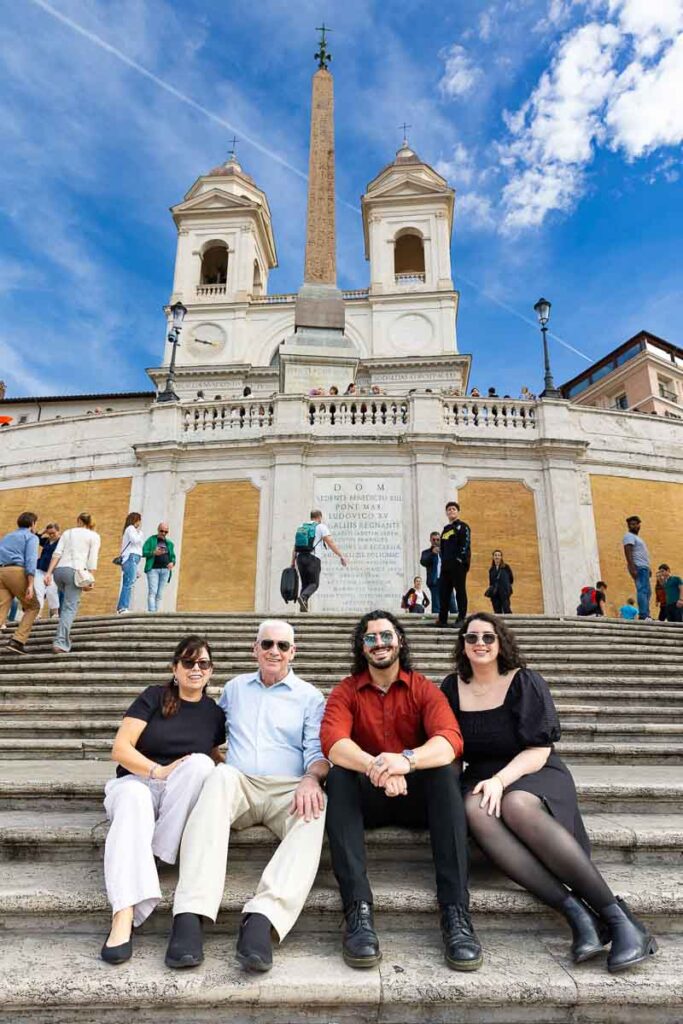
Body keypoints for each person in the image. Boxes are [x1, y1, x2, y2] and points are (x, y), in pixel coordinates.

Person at [441, 612, 658, 974]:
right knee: (475, 809)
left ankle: (621, 920)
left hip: (534, 770)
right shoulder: (451, 687)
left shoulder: (524, 681)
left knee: (516, 804)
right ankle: (577, 914)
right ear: (462, 644)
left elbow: (539, 749)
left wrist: (501, 780)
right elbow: (444, 741)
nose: (479, 644)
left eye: (488, 638)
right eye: (471, 637)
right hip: (481, 777)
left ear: (501, 643)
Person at [321, 610, 481, 971]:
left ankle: (456, 912)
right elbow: (332, 742)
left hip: (417, 799)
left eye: (386, 636)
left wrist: (405, 762)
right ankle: (357, 911)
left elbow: (450, 741)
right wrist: (379, 767)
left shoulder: (423, 688)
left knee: (443, 774)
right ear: (362, 647)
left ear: (400, 641)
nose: (380, 643)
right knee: (340, 776)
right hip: (369, 798)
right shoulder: (346, 691)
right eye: (371, 638)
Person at [165, 619, 328, 973]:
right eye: (267, 644)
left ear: (293, 652)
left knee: (317, 807)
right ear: (255, 649)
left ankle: (263, 917)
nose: (274, 651)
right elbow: (208, 731)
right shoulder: (236, 688)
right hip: (241, 783)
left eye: (282, 646)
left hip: (288, 787)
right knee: (219, 778)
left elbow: (316, 751)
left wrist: (312, 779)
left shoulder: (310, 696)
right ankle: (190, 914)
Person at [101, 634, 225, 965]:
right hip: (138, 780)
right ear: (175, 668)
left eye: (203, 663)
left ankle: (153, 855)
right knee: (133, 798)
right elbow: (121, 748)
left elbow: (214, 756)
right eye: (188, 662)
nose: (195, 669)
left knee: (201, 764)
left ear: (211, 671)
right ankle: (123, 916)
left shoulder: (214, 714)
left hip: (175, 796)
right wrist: (158, 771)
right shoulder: (154, 697)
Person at [44, 512, 100, 654]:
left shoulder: (68, 532)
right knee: (70, 607)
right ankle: (60, 642)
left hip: (59, 572)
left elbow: (57, 553)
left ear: (78, 521)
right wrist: (90, 579)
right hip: (75, 573)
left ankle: (65, 634)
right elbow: (92, 559)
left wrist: (49, 573)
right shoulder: (94, 536)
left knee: (71, 603)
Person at [0, 511, 41, 655]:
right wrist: (30, 584)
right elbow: (31, 560)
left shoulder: (7, 536)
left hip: (1, 571)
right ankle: (17, 641)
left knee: (2, 606)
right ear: (32, 524)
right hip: (17, 571)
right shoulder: (31, 537)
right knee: (33, 606)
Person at [291, 510, 347, 613]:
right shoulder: (321, 527)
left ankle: (303, 608)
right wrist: (341, 555)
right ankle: (303, 597)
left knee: (305, 584)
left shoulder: (302, 527)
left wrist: (292, 563)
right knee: (314, 584)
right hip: (313, 558)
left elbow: (295, 546)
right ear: (319, 517)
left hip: (300, 559)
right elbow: (330, 542)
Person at [434, 501, 471, 628]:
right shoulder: (445, 530)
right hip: (446, 566)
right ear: (446, 513)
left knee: (460, 591)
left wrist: (460, 560)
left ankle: (461, 618)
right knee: (443, 592)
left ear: (458, 512)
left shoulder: (463, 527)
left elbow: (465, 544)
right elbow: (443, 547)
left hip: (458, 565)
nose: (451, 511)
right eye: (449, 509)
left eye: (453, 509)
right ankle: (442, 619)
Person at [420, 532, 456, 618]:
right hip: (435, 581)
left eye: (438, 539)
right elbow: (423, 562)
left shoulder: (446, 551)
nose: (436, 541)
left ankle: (455, 622)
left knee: (452, 604)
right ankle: (437, 621)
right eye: (433, 539)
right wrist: (432, 554)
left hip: (447, 581)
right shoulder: (426, 552)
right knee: (436, 605)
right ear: (430, 540)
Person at [143, 524, 176, 613]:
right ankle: (152, 612)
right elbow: (142, 552)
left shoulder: (170, 543)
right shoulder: (151, 540)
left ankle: (157, 614)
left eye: (166, 532)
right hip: (153, 569)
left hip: (165, 570)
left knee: (160, 594)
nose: (163, 533)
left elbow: (173, 556)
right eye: (162, 531)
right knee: (152, 592)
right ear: (158, 530)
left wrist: (172, 562)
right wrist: (153, 553)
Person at [622, 516, 651, 620]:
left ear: (639, 525)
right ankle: (644, 615)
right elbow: (628, 551)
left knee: (647, 592)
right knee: (642, 590)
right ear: (629, 526)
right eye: (632, 524)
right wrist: (632, 566)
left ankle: (646, 614)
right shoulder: (629, 536)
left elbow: (642, 554)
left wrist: (648, 567)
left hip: (644, 567)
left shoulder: (638, 538)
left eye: (636, 524)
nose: (634, 526)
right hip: (638, 567)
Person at [116, 513, 144, 615]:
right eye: (139, 520)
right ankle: (123, 607)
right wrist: (140, 533)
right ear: (136, 520)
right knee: (128, 583)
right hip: (131, 557)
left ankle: (122, 607)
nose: (140, 523)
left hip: (133, 558)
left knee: (128, 582)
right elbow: (135, 540)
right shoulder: (131, 528)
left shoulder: (131, 530)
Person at [35, 523, 61, 618]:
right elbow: (35, 538)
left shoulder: (61, 543)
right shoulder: (46, 541)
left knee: (51, 591)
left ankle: (55, 612)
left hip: (54, 571)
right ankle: (38, 613)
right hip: (40, 569)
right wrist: (43, 531)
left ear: (58, 531)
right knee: (39, 591)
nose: (51, 535)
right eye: (49, 533)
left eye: (53, 533)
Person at [487, 550, 514, 614]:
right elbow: (491, 582)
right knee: (497, 610)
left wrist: (507, 587)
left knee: (506, 608)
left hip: (504, 591)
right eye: (495, 555)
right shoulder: (491, 570)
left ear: (501, 557)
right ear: (493, 557)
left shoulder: (506, 567)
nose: (497, 557)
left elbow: (511, 578)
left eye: (499, 555)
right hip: (495, 592)